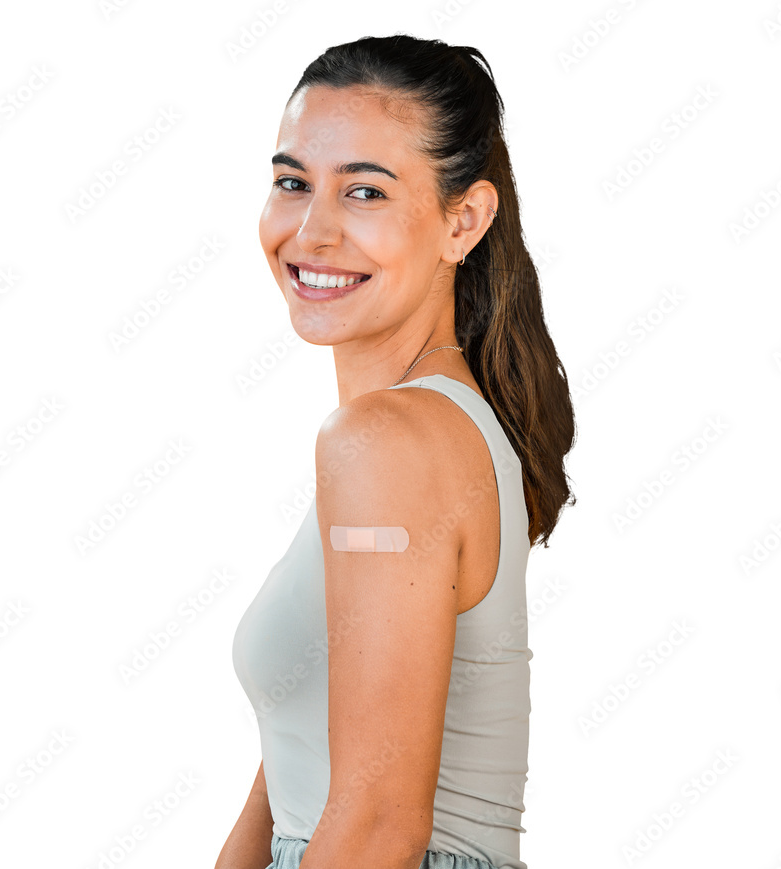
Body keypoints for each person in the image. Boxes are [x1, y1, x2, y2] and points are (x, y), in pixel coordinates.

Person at [217, 33, 575, 869]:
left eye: (365, 192)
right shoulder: (405, 434)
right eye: (292, 182)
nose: (311, 230)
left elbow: (379, 824)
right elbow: (297, 773)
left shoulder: (388, 444)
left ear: (465, 221)